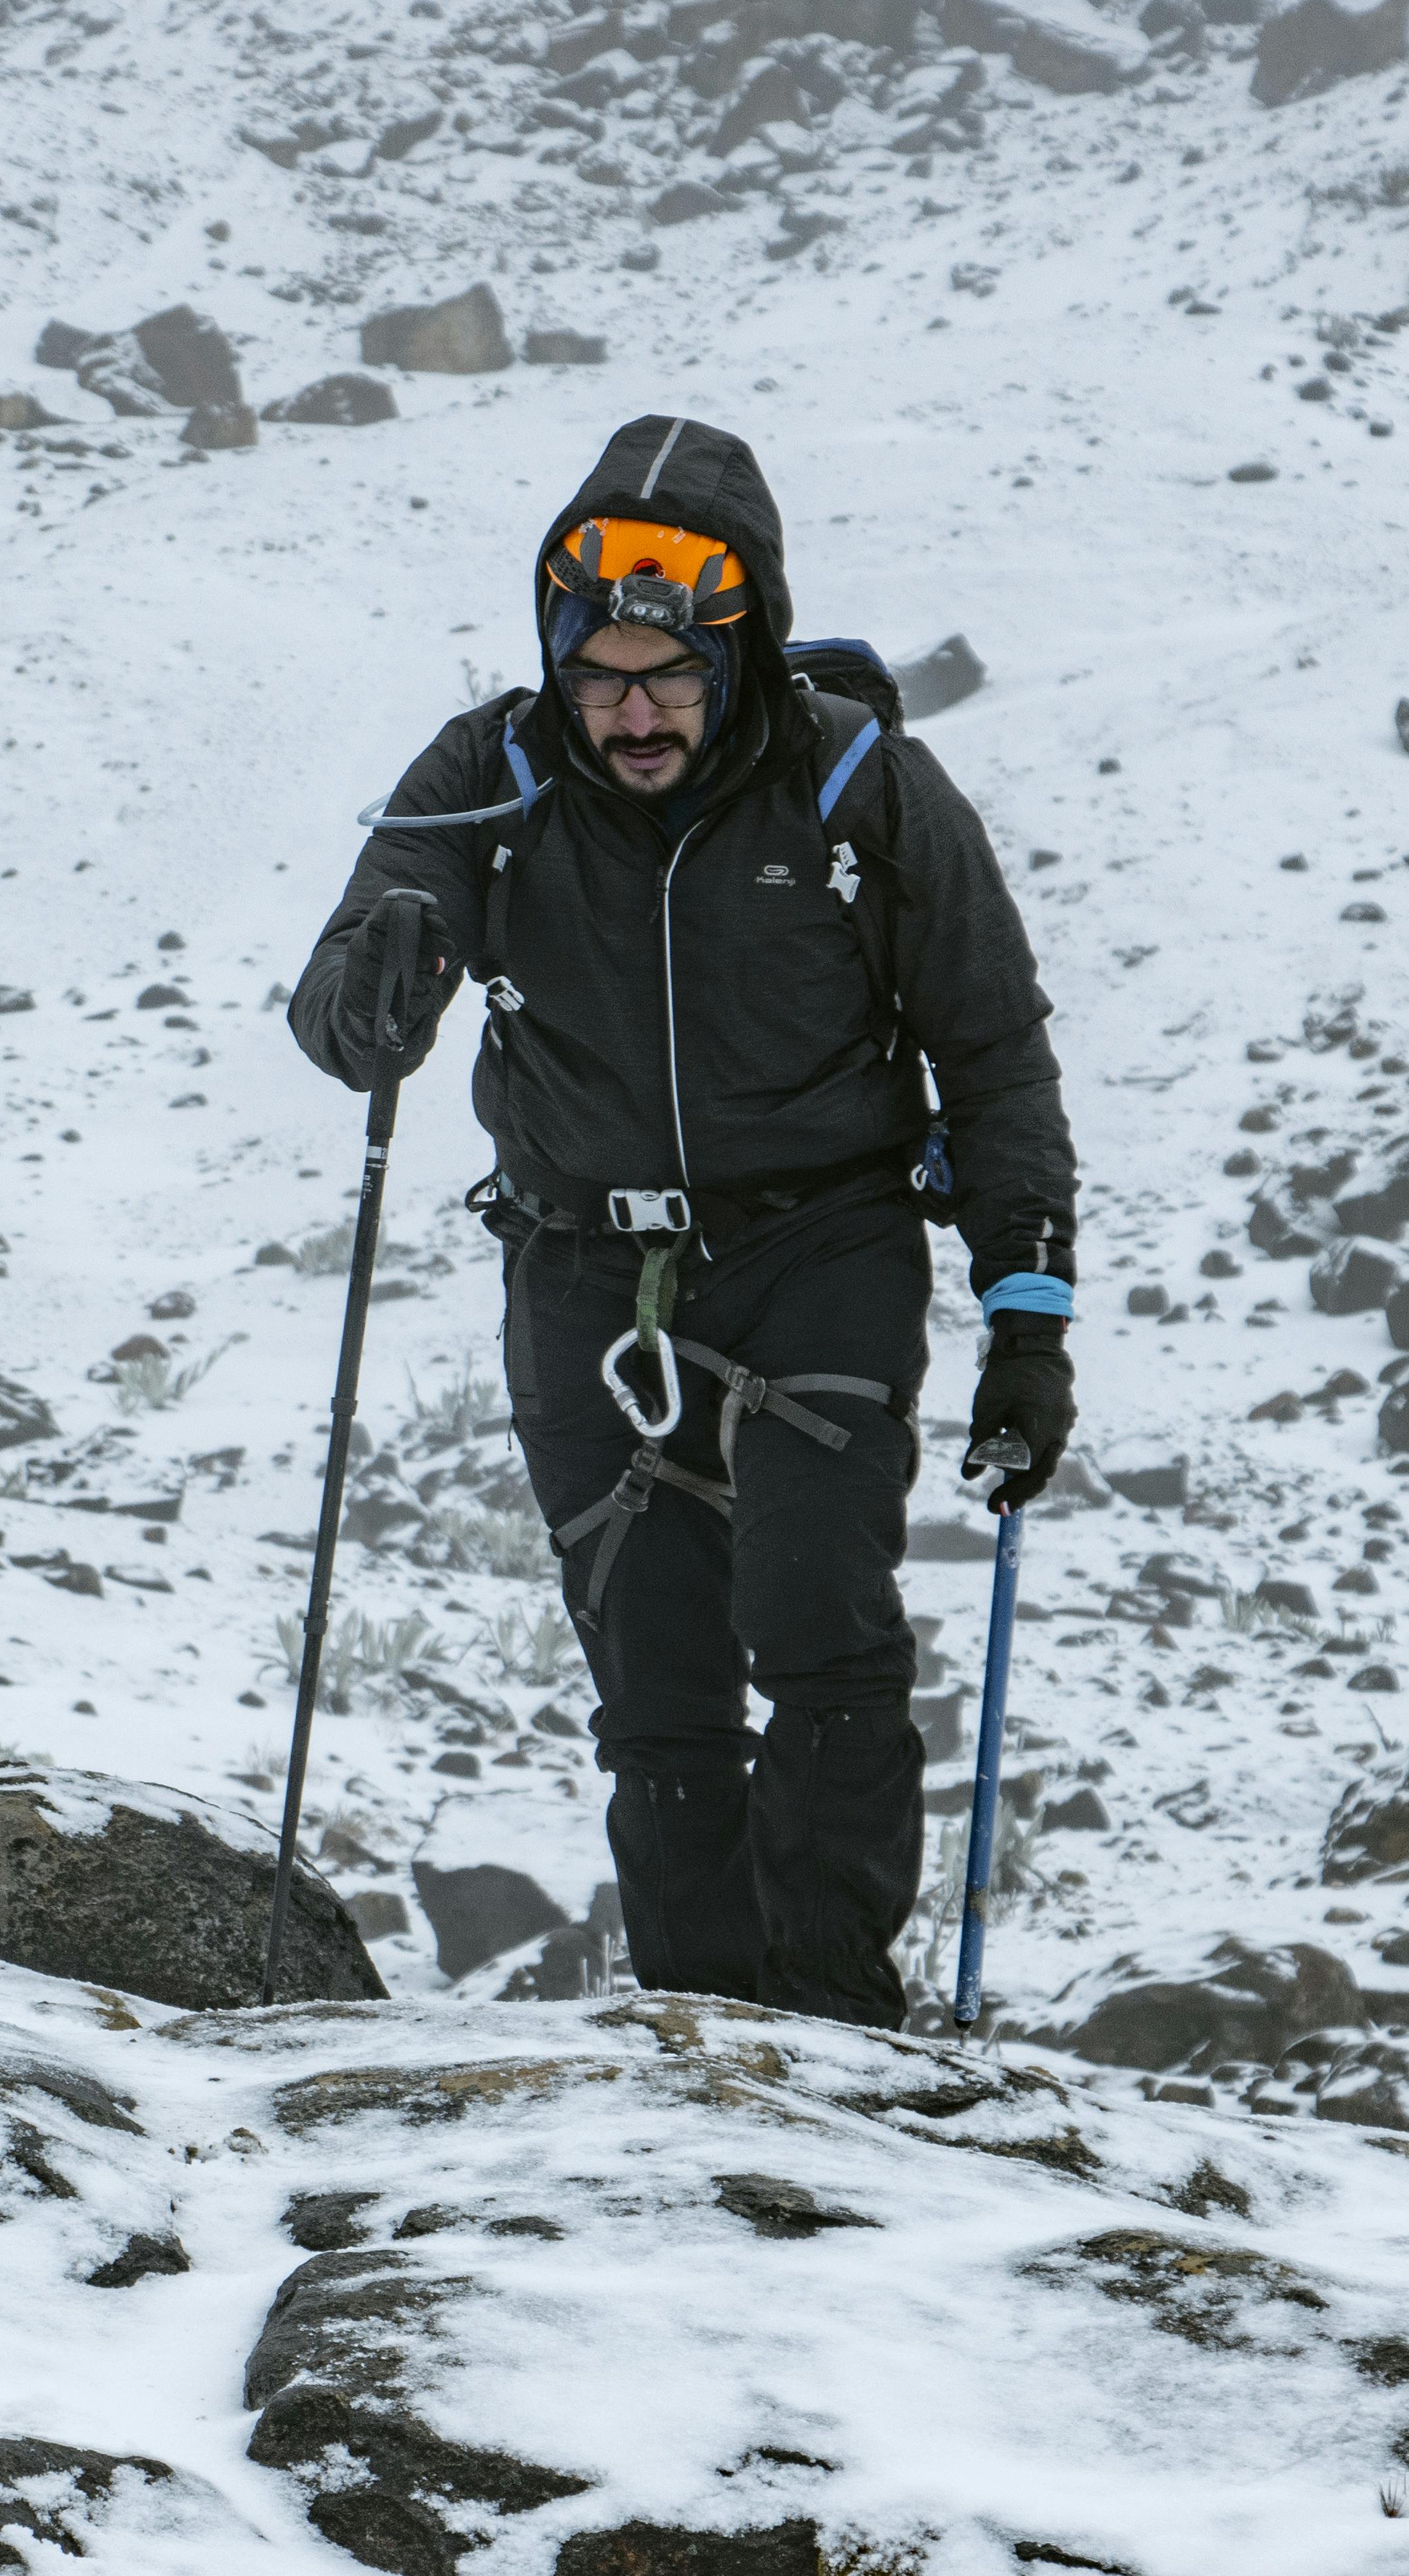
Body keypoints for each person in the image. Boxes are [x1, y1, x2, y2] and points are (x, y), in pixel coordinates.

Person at [284, 416, 1080, 2027]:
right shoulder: (488, 775)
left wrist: (1029, 1317)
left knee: (820, 1633)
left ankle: (838, 2035)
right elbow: (348, 993)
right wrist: (374, 984)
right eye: (602, 678)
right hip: (581, 1269)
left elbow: (991, 1046)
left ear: (744, 653)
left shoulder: (864, 784)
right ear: (557, 663)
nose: (633, 715)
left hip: (824, 1253)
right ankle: (697, 2036)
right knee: (657, 1688)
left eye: (670, 676)